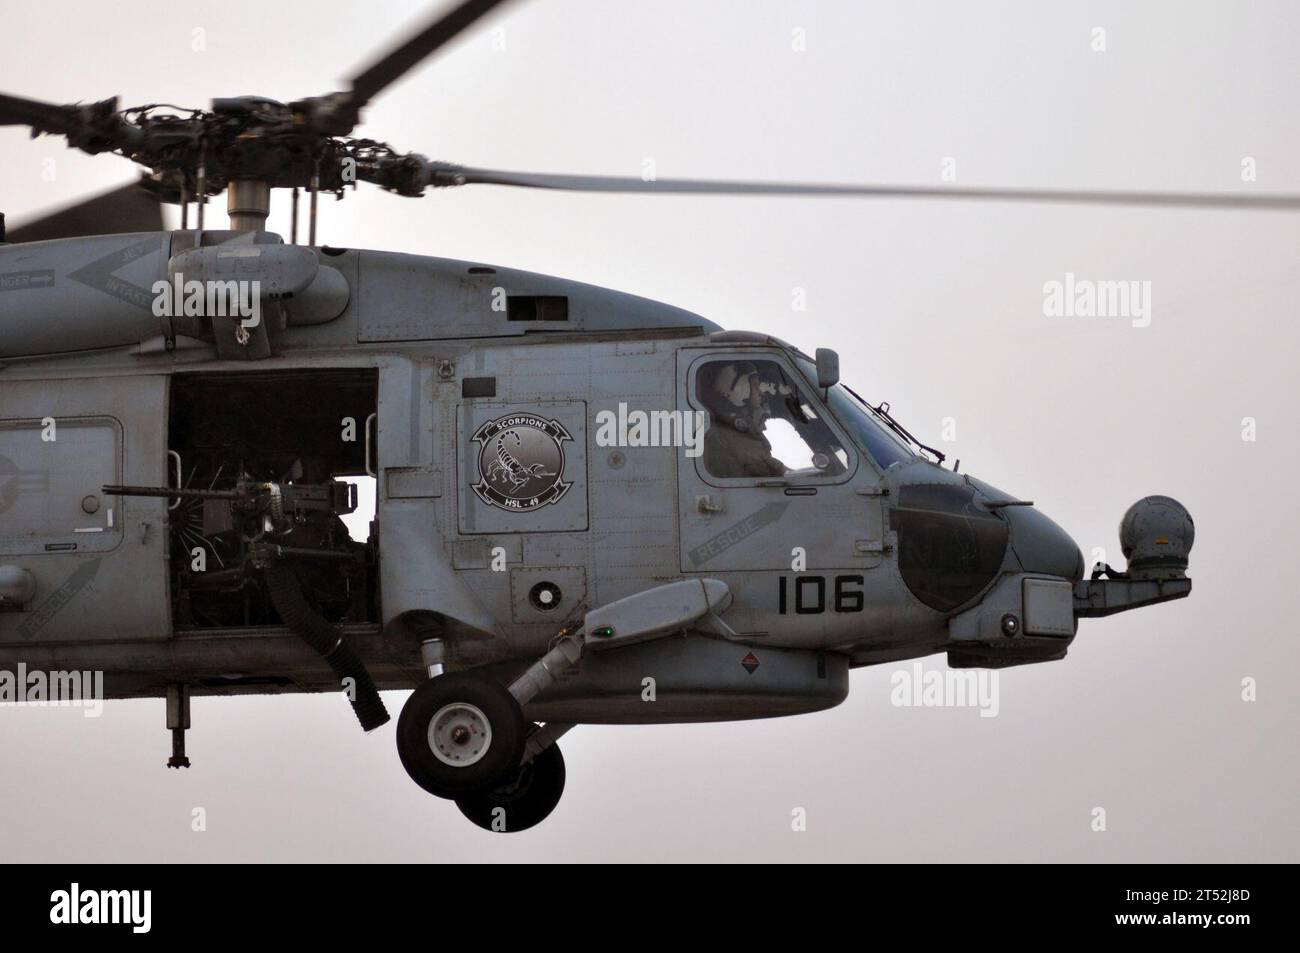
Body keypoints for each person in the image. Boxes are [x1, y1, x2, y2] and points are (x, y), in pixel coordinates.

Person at [699, 361, 787, 478]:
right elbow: (761, 470)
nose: (760, 392)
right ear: (737, 388)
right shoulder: (724, 435)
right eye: (755, 386)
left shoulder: (738, 429)